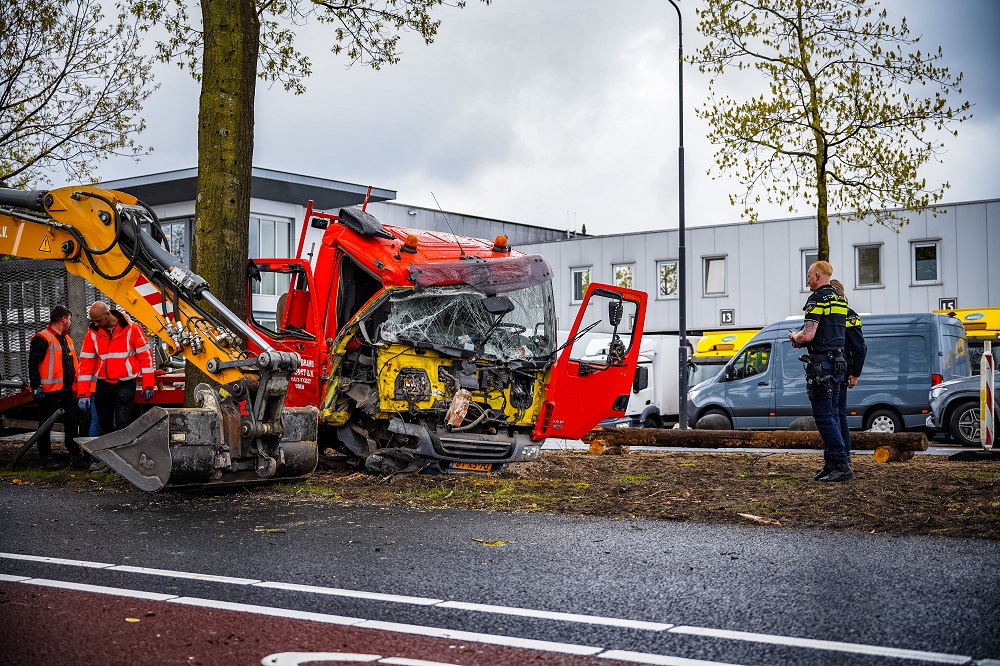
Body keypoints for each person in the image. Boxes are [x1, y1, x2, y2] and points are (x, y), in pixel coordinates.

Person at [789, 261, 851, 482]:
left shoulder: (816, 299)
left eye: (808, 276)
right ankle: (832, 463)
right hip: (838, 364)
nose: (807, 280)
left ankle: (841, 464)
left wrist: (794, 337)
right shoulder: (840, 300)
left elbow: (808, 335)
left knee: (824, 417)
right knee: (833, 414)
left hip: (822, 365)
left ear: (816, 275)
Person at [78, 301, 155, 472]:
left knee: (122, 423)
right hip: (104, 383)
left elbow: (145, 356)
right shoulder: (93, 333)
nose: (95, 324)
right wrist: (82, 393)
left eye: (98, 320)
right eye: (94, 321)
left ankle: (122, 463)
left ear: (108, 315)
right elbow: (85, 363)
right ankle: (107, 461)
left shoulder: (132, 329)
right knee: (105, 424)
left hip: (125, 383)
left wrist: (148, 384)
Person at [28, 306, 87, 469]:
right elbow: (33, 363)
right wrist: (36, 386)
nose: (70, 322)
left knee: (72, 422)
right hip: (49, 392)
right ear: (63, 319)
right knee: (46, 425)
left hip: (66, 390)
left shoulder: (66, 339)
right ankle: (46, 457)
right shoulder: (43, 338)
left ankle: (74, 456)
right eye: (69, 319)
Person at [830, 279, 867, 459]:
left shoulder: (848, 315)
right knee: (834, 413)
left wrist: (855, 374)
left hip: (842, 371)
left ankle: (843, 453)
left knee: (838, 413)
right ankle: (839, 453)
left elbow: (860, 348)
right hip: (833, 369)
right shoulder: (831, 315)